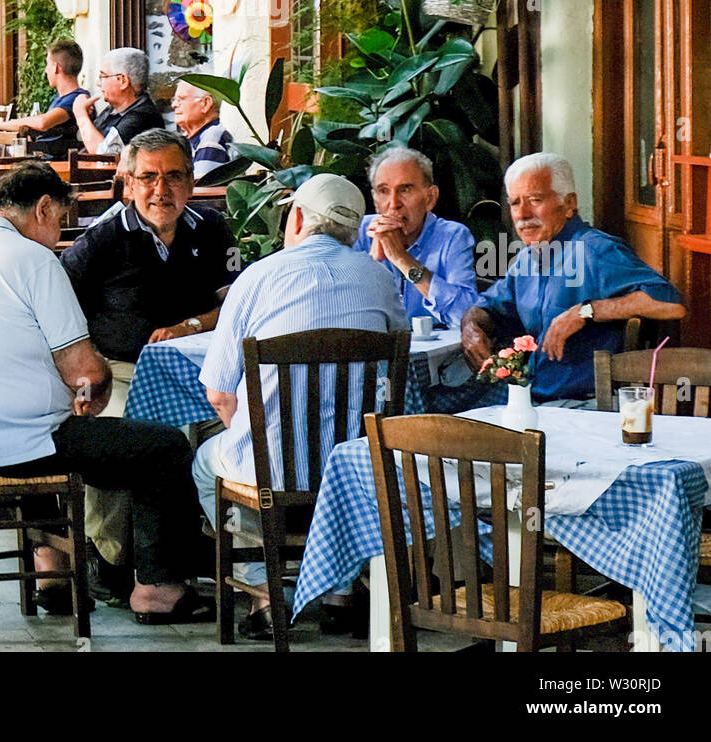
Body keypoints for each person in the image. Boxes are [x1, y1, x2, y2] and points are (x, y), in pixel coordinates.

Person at [0, 163, 213, 624]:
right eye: (59, 222)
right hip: (17, 443)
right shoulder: (33, 259)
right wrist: (96, 389)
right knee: (164, 445)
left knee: (42, 421)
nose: (59, 235)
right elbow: (84, 371)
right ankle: (157, 590)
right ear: (44, 208)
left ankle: (52, 572)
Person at [193, 173, 408, 640]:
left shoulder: (258, 276)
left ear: (296, 219)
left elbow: (219, 394)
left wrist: (253, 442)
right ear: (354, 230)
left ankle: (265, 597)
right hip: (357, 464)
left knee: (208, 463)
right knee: (350, 451)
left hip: (276, 470)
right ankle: (340, 594)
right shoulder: (378, 277)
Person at [61, 128, 235, 596]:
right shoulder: (100, 241)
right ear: (129, 182)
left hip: (201, 376)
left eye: (174, 177)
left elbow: (236, 305)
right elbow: (61, 317)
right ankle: (112, 556)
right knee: (122, 437)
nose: (162, 190)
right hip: (118, 373)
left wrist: (191, 326)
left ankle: (214, 556)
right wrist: (82, 384)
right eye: (149, 178)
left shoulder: (214, 229)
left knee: (241, 436)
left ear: (192, 180)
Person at [459, 151, 687, 406]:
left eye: (535, 200)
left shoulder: (595, 250)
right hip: (533, 397)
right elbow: (490, 306)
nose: (522, 214)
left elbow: (670, 304)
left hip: (583, 405)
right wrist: (471, 326)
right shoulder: (528, 258)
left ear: (569, 205)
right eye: (514, 203)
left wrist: (587, 311)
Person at [353, 145, 478, 328]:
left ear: (430, 198)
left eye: (405, 190)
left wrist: (402, 259)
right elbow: (346, 311)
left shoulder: (453, 236)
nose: (393, 204)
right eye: (383, 191)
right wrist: (374, 261)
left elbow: (467, 317)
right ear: (374, 200)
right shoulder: (359, 231)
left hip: (437, 355)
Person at [0, 39, 89, 160]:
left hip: (52, 163)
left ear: (55, 68)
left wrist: (1, 125)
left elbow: (43, 122)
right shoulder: (60, 98)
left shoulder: (77, 98)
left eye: (47, 64)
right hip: (40, 158)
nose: (45, 70)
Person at [72, 48, 163, 156]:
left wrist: (81, 115)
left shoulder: (142, 116)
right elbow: (81, 140)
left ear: (123, 81)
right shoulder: (113, 109)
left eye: (103, 76)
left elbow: (104, 154)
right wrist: (87, 117)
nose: (98, 83)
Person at [171, 77, 234, 179]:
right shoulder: (194, 138)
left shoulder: (212, 137)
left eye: (181, 99)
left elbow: (201, 188)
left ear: (206, 103)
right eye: (174, 100)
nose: (174, 105)